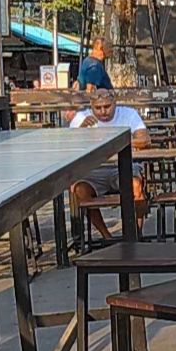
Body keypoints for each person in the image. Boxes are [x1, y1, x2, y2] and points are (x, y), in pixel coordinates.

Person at [67, 88, 151, 240]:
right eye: (98, 108)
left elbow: (144, 139)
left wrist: (118, 144)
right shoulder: (82, 118)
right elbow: (70, 147)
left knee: (136, 186)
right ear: (91, 106)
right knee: (80, 190)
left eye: (107, 106)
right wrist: (81, 131)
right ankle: (106, 236)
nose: (103, 111)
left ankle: (135, 233)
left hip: (123, 165)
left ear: (115, 103)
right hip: (94, 170)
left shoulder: (128, 114)